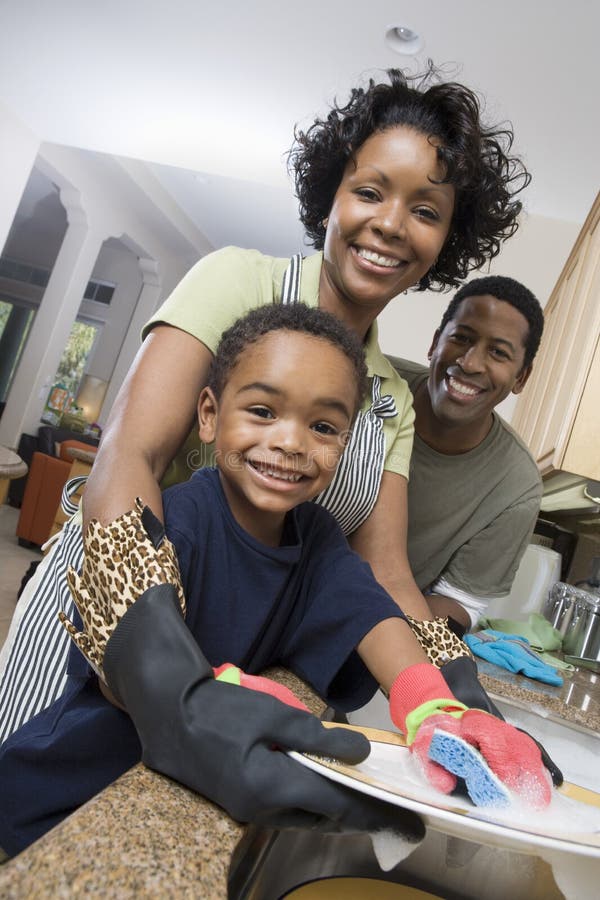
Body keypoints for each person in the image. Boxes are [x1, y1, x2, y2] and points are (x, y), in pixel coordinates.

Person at [1, 64, 531, 756]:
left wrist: (455, 693)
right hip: (106, 616)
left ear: (444, 244)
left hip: (233, 660)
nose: (391, 224)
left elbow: (386, 574)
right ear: (330, 198)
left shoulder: (391, 399)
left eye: (426, 211)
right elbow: (130, 454)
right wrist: (159, 658)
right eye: (369, 191)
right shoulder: (236, 280)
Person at [0, 305, 552, 856]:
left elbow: (376, 617)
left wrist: (435, 708)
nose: (291, 441)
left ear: (346, 443)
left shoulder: (317, 539)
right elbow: (118, 673)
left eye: (322, 426)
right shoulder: (181, 522)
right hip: (58, 802)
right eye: (263, 411)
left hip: (166, 809)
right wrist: (216, 691)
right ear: (210, 415)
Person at [391, 275, 544, 633]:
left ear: (521, 377)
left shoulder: (516, 486)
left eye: (498, 353)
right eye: (462, 338)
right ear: (434, 343)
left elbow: (462, 600)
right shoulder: (369, 381)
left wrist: (370, 622)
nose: (471, 363)